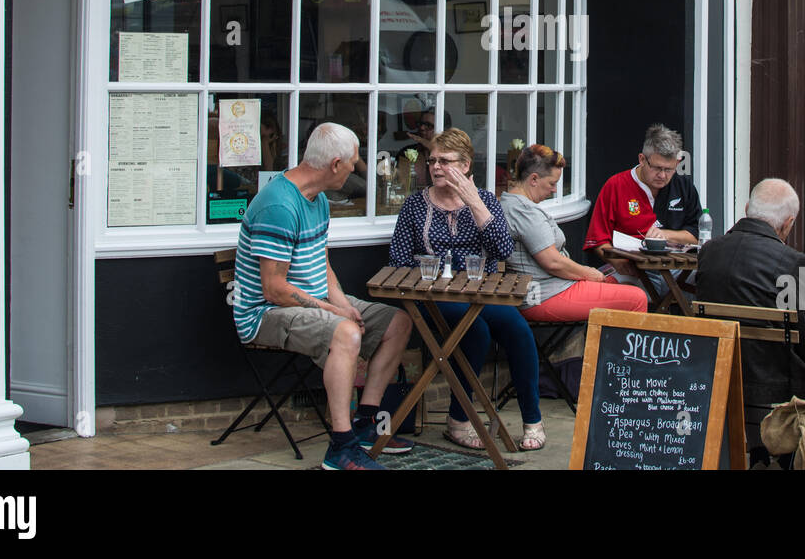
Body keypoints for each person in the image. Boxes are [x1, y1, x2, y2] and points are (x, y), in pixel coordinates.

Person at [233, 122, 414, 471]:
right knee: (346, 333)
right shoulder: (279, 207)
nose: (355, 168)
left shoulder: (317, 200)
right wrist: (334, 313)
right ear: (335, 164)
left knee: (398, 322)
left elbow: (322, 262)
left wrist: (343, 303)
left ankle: (366, 423)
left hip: (315, 300)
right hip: (264, 313)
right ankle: (340, 447)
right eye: (354, 161)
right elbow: (274, 289)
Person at [388, 128, 546, 451]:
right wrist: (424, 274)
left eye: (445, 161)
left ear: (465, 165)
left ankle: (533, 419)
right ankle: (458, 422)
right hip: (434, 298)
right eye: (432, 160)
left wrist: (473, 201)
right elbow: (398, 260)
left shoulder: (486, 200)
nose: (435, 167)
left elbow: (503, 250)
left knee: (518, 329)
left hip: (481, 293)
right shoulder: (415, 206)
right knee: (474, 332)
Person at [695, 178, 805, 464]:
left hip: (715, 376)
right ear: (788, 223)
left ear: (747, 208)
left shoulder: (709, 251)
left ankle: (760, 457)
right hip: (775, 388)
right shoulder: (793, 262)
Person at [502, 144, 648, 321]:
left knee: (624, 279)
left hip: (551, 287)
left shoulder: (513, 203)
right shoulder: (524, 211)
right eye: (552, 183)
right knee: (637, 298)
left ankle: (597, 346)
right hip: (545, 295)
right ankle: (614, 349)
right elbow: (553, 262)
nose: (554, 190)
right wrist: (589, 272)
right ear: (534, 179)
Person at [584, 124, 703, 294]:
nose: (662, 175)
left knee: (710, 279)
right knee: (605, 287)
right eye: (656, 168)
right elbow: (598, 240)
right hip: (631, 269)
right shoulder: (616, 185)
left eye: (669, 169)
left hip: (678, 269)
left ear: (677, 163)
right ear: (641, 159)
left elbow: (696, 235)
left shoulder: (684, 186)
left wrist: (665, 235)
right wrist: (618, 262)